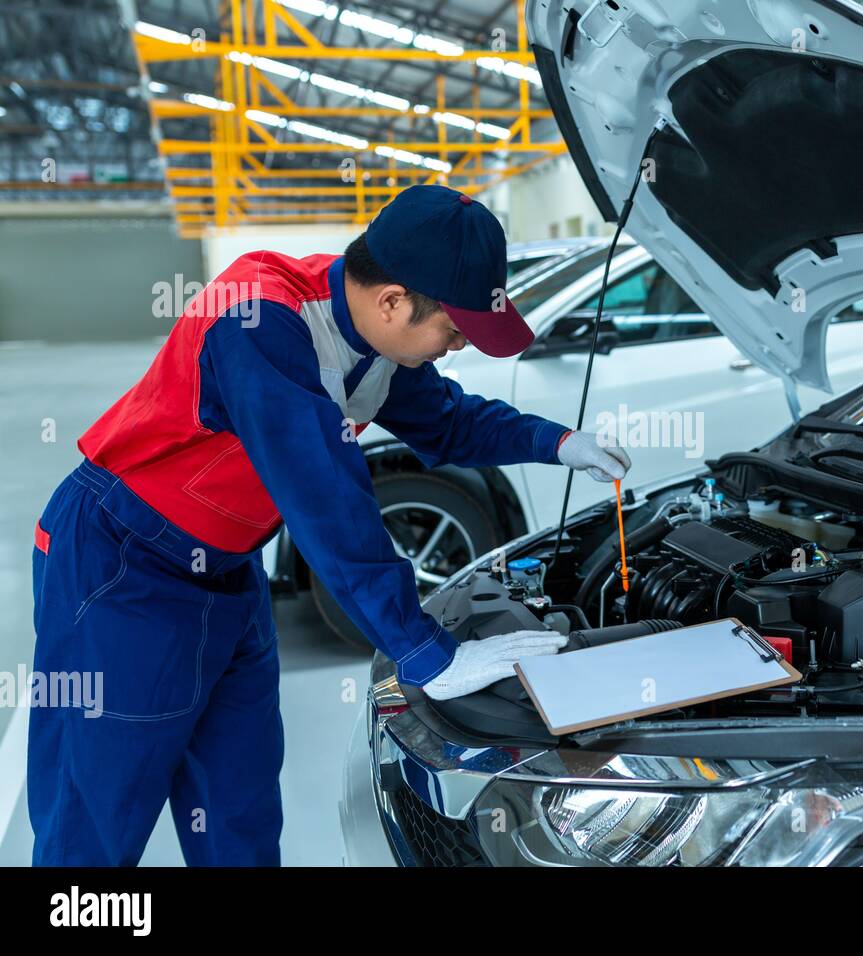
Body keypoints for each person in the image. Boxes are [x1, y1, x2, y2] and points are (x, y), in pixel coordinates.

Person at [27, 185, 629, 865]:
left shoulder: (380, 341)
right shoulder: (258, 318)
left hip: (224, 568)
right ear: (394, 300)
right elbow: (324, 497)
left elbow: (450, 419)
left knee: (238, 803)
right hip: (119, 564)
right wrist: (427, 652)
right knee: (99, 810)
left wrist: (559, 443)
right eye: (454, 330)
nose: (457, 347)